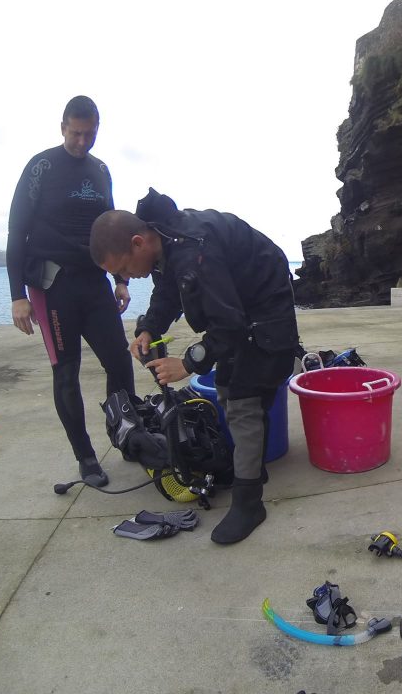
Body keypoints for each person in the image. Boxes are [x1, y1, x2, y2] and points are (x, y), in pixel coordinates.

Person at [89, 189, 302, 545]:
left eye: (124, 269)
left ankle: (250, 503)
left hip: (264, 311)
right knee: (231, 387)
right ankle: (253, 469)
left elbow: (229, 324)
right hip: (242, 306)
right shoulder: (166, 237)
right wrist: (148, 327)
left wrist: (187, 363)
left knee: (243, 400)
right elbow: (169, 290)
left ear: (139, 242)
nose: (127, 277)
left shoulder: (191, 250)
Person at [6, 95, 136, 488]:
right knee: (67, 373)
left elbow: (111, 228)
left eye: (90, 134)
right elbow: (17, 231)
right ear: (63, 127)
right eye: (76, 133)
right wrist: (17, 295)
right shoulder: (41, 167)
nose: (82, 142)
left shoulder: (101, 171)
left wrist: (121, 279)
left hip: (93, 280)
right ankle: (86, 458)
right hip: (52, 284)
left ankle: (127, 434)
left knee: (119, 361)